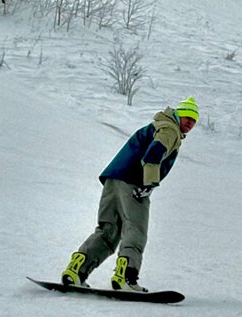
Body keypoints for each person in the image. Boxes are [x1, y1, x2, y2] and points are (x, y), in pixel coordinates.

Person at [61, 97, 199, 292]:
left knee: (108, 232)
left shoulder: (157, 125)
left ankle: (76, 270)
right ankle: (126, 277)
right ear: (178, 114)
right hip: (134, 183)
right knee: (136, 229)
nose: (190, 124)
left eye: (194, 121)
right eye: (188, 118)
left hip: (113, 178)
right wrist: (148, 183)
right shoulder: (170, 129)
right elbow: (154, 153)